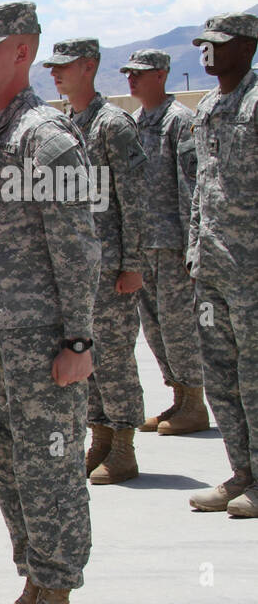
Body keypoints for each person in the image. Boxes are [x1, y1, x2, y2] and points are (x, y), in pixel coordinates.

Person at [0, 3, 101, 604]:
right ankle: (33, 588)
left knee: (50, 468)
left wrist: (78, 340)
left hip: (43, 337)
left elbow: (77, 245)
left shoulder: (47, 137)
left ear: (24, 50)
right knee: (10, 465)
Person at [45, 38, 148, 484]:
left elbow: (135, 199)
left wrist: (134, 263)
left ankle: (123, 446)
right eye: (52, 66)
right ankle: (100, 438)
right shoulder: (67, 123)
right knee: (89, 357)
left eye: (64, 66)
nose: (55, 73)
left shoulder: (113, 125)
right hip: (80, 268)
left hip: (110, 266)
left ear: (89, 67)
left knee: (116, 357)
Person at [185, 12, 258, 517]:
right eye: (204, 44)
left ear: (249, 47)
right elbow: (202, 189)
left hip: (251, 269)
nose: (208, 52)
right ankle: (242, 472)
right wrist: (195, 246)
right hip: (211, 265)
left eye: (220, 44)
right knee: (222, 377)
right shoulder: (208, 106)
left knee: (254, 376)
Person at [121, 48, 207, 435]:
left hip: (172, 244)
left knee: (178, 326)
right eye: (129, 73)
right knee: (154, 327)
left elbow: (192, 188)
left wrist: (193, 251)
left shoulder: (179, 122)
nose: (132, 79)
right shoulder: (136, 122)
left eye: (140, 73)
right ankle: (178, 397)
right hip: (143, 245)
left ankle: (195, 403)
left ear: (162, 75)